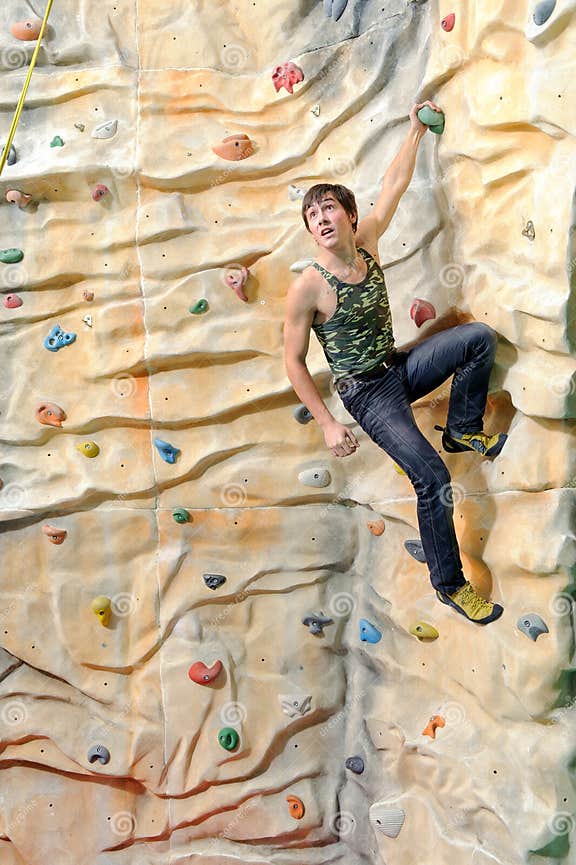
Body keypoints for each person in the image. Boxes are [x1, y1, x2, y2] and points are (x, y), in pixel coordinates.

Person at [283, 101, 507, 626]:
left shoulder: (367, 242)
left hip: (397, 367)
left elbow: (393, 184)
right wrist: (328, 422)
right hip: (366, 394)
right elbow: (293, 362)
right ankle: (451, 586)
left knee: (477, 339)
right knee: (431, 477)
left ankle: (462, 429)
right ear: (311, 231)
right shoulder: (308, 287)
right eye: (313, 216)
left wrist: (414, 132)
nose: (322, 218)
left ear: (349, 215)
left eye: (329, 208)